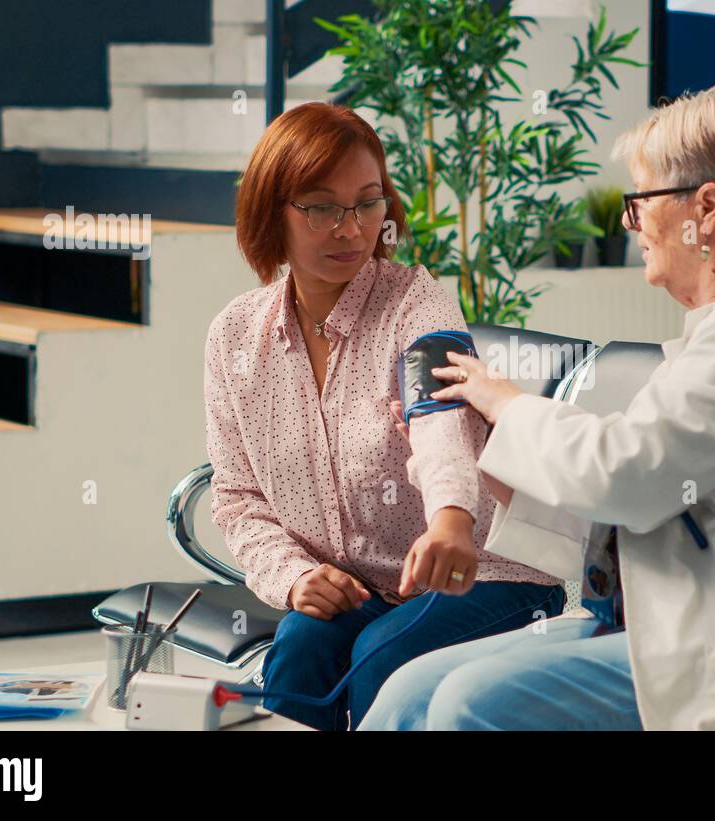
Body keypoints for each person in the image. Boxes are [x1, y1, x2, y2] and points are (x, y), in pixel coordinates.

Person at [359, 84, 715, 731]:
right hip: (661, 625)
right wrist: (480, 451)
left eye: (638, 202)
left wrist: (506, 402)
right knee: (408, 691)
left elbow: (624, 475)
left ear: (706, 206)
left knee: (466, 705)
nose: (628, 223)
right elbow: (629, 515)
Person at [203, 103, 565, 731]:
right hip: (361, 586)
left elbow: (440, 419)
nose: (350, 229)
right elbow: (237, 496)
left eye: (368, 203)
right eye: (321, 207)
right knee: (300, 648)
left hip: (486, 572)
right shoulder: (236, 334)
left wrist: (451, 521)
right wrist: (293, 579)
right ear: (272, 214)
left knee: (382, 661)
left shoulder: (418, 304)